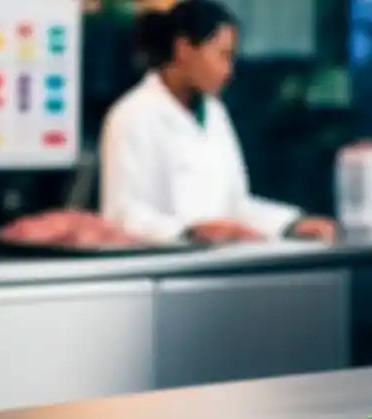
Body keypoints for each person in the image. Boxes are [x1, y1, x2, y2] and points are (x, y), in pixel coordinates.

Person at [100, 0, 336, 243]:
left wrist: (291, 224)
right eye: (223, 56)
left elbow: (236, 205)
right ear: (184, 50)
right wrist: (191, 231)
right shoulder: (131, 115)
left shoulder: (214, 113)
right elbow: (124, 216)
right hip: (162, 268)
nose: (228, 71)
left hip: (220, 266)